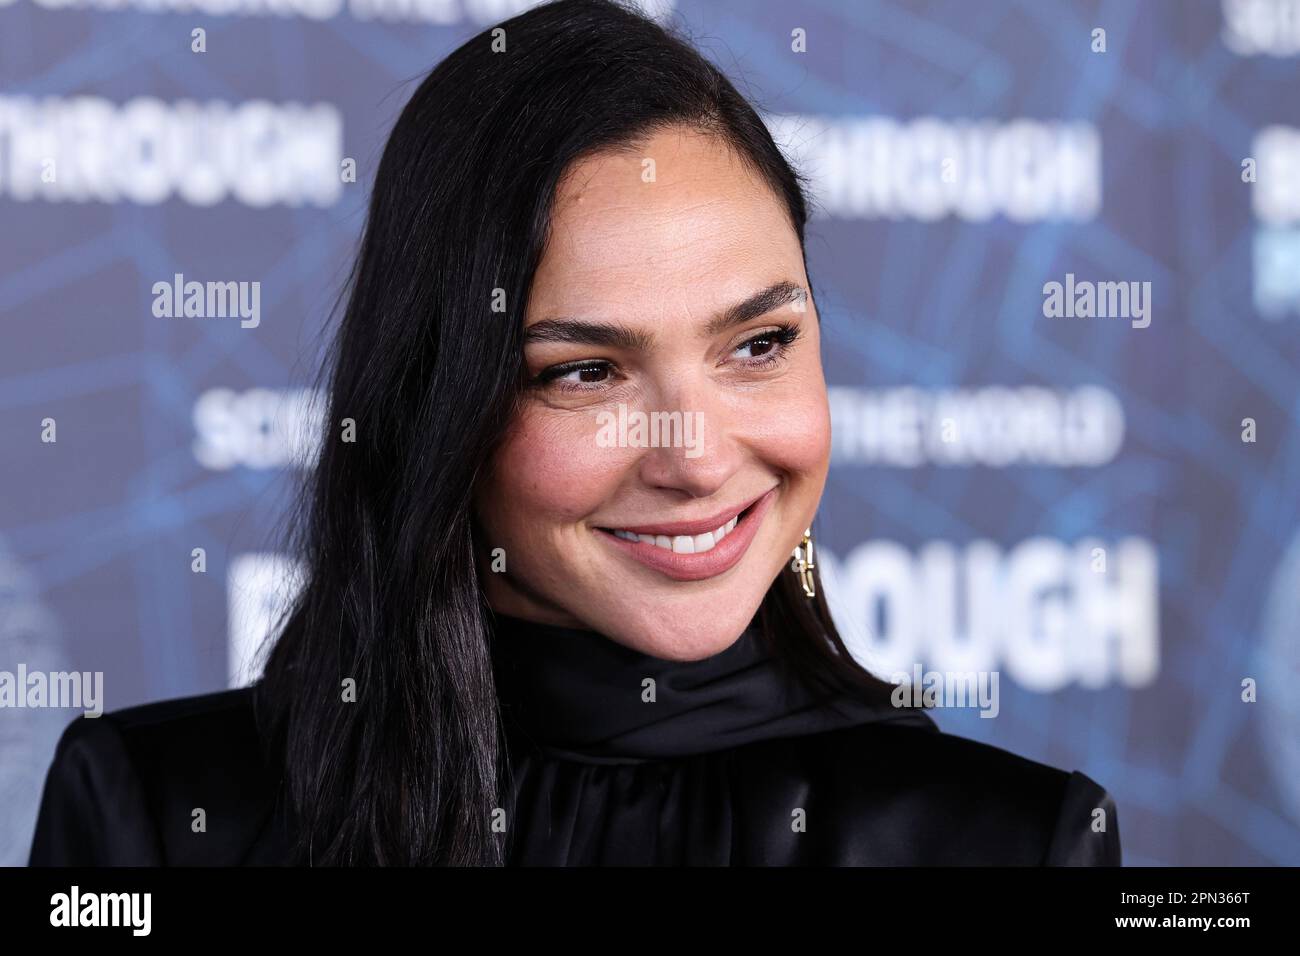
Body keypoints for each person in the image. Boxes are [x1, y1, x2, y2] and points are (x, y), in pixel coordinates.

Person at [28, 0, 1120, 867]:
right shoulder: (154, 816)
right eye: (585, 371)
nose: (693, 454)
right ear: (433, 400)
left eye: (757, 344)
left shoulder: (1015, 838)